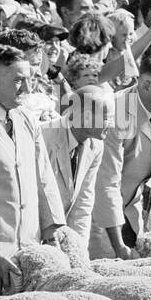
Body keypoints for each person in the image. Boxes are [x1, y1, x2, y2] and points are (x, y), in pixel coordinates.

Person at [0, 44, 66, 292]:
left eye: (29, 80)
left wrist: (52, 240)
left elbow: (44, 180)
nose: (28, 89)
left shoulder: (27, 119)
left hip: (29, 251)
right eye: (19, 80)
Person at [92, 55, 151, 258]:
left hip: (132, 213)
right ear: (146, 85)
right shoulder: (114, 113)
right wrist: (118, 246)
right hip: (101, 220)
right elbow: (107, 182)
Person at [42, 83, 112, 249]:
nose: (112, 123)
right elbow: (38, 198)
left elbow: (83, 203)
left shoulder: (96, 145)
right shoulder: (43, 138)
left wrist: (78, 250)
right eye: (106, 117)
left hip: (60, 236)